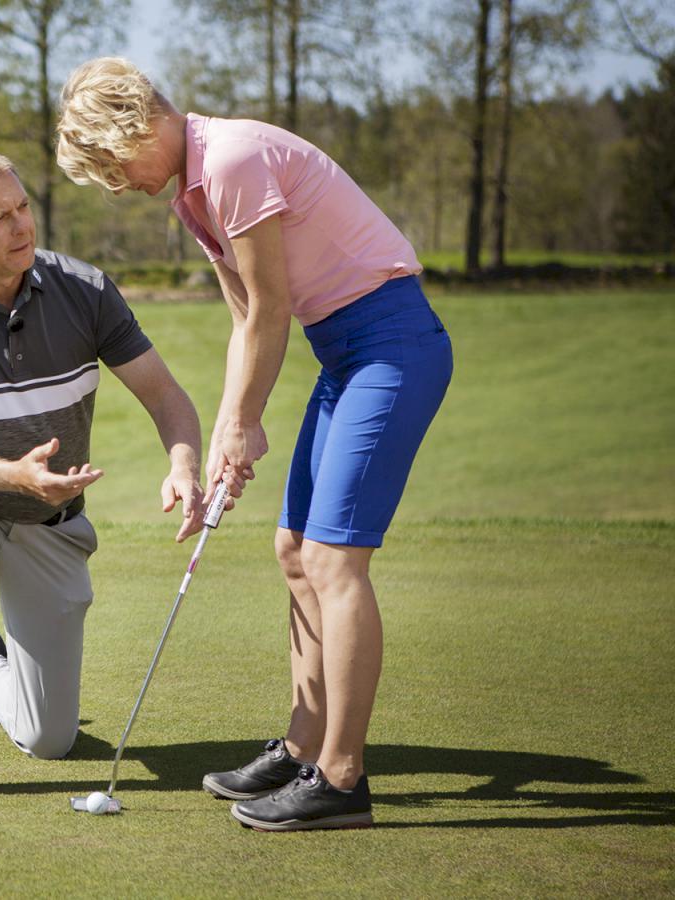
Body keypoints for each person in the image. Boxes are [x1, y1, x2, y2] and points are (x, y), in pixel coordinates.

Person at [55, 57, 454, 830]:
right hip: (346, 354)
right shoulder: (194, 196)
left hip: (395, 344)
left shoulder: (232, 158)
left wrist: (242, 420)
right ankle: (306, 750)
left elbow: (273, 309)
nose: (120, 186)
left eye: (114, 166)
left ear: (136, 127)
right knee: (294, 548)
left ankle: (342, 778)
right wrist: (234, 429)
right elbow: (245, 320)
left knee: (337, 560)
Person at [0, 147, 207, 801]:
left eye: (24, 207)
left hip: (48, 523)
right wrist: (12, 475)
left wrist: (184, 464)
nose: (22, 226)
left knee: (49, 739)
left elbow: (167, 397)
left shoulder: (85, 290)